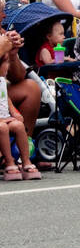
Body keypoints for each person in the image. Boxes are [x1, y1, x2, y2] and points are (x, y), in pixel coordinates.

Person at [0, 40, 40, 180]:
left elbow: (7, 98)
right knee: (2, 128)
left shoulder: (2, 81)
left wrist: (12, 54)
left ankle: (25, 160)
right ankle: (9, 161)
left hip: (5, 116)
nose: (4, 16)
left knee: (18, 125)